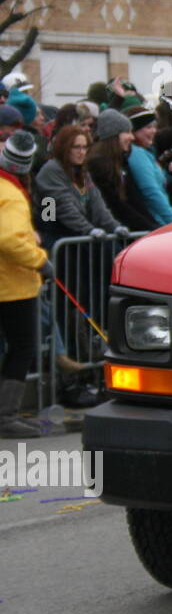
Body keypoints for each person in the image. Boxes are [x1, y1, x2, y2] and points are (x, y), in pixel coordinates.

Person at [0, 130, 54, 438]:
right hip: (13, 284)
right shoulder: (11, 194)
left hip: (8, 281)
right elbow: (8, 238)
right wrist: (39, 259)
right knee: (22, 346)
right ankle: (6, 415)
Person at [86, 109, 155, 232]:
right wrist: (148, 228)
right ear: (113, 135)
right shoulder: (98, 164)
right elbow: (116, 205)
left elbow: (134, 198)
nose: (132, 137)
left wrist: (152, 226)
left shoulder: (121, 160)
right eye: (127, 132)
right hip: (115, 232)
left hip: (130, 230)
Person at [125, 106, 172, 227]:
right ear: (135, 131)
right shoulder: (137, 154)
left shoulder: (147, 152)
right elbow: (151, 191)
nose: (154, 131)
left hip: (160, 220)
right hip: (157, 221)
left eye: (154, 127)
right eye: (148, 127)